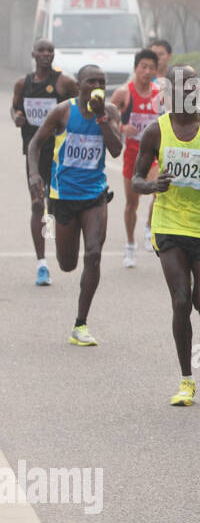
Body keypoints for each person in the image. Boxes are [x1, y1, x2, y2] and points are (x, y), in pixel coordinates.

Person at [132, 66, 200, 405]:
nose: (189, 91)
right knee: (181, 301)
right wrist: (153, 185)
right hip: (168, 225)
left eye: (194, 85)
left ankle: (191, 301)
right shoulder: (155, 131)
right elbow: (136, 180)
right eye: (181, 86)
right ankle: (186, 380)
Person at [26, 65, 123, 345]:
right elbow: (35, 144)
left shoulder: (110, 112)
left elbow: (116, 149)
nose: (98, 85)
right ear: (79, 84)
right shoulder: (63, 112)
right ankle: (61, 264)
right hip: (64, 195)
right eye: (91, 81)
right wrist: (34, 174)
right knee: (68, 264)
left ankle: (80, 323)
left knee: (93, 254)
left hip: (95, 195)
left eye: (102, 82)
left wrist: (102, 118)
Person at [11, 38, 76, 286]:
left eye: (50, 50)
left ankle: (62, 250)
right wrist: (17, 116)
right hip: (34, 152)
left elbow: (80, 107)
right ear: (33, 54)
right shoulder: (22, 84)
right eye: (42, 50)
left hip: (60, 154)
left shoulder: (64, 82)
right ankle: (42, 264)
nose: (46, 54)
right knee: (38, 204)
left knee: (55, 206)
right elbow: (15, 108)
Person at [111, 48, 163, 268]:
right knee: (132, 204)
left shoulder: (159, 94)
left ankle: (150, 226)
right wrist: (122, 127)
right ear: (135, 68)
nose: (147, 71)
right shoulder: (124, 93)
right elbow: (108, 120)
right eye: (144, 66)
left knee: (157, 188)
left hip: (153, 154)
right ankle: (130, 244)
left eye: (152, 67)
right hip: (132, 155)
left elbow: (168, 120)